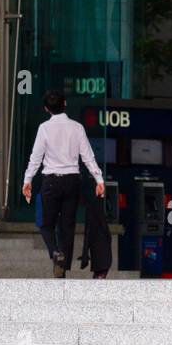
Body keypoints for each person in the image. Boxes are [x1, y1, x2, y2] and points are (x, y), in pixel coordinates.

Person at [23, 90, 106, 279]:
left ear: (46, 109)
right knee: (67, 226)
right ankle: (63, 270)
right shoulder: (77, 128)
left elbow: (35, 158)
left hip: (51, 181)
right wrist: (99, 179)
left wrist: (27, 180)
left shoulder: (44, 128)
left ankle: (54, 253)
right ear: (65, 104)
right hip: (72, 181)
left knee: (46, 224)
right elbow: (88, 156)